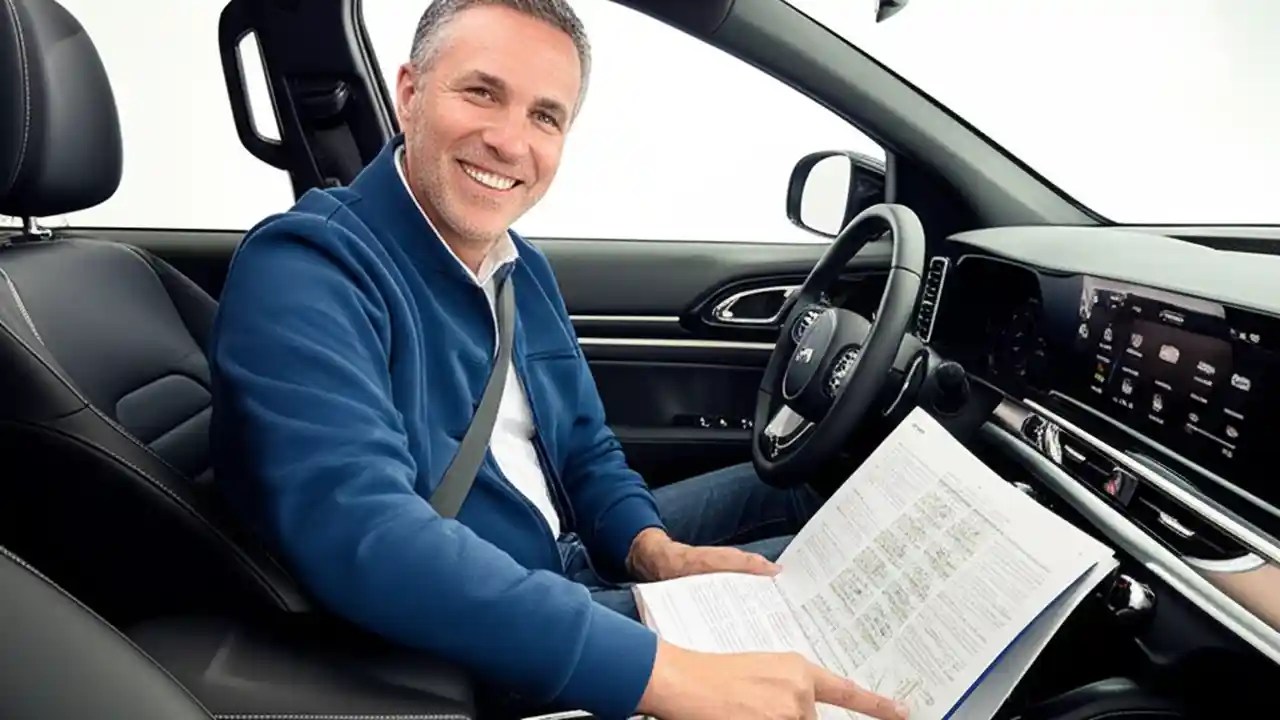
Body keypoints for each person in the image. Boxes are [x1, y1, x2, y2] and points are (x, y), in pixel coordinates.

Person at [208, 1, 908, 719]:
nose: (509, 141)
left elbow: (584, 452)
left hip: (559, 559)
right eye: (481, 93)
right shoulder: (307, 266)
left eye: (545, 117)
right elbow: (367, 533)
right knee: (854, 616)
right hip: (468, 633)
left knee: (825, 508)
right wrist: (666, 674)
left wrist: (652, 551)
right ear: (410, 92)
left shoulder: (520, 268)